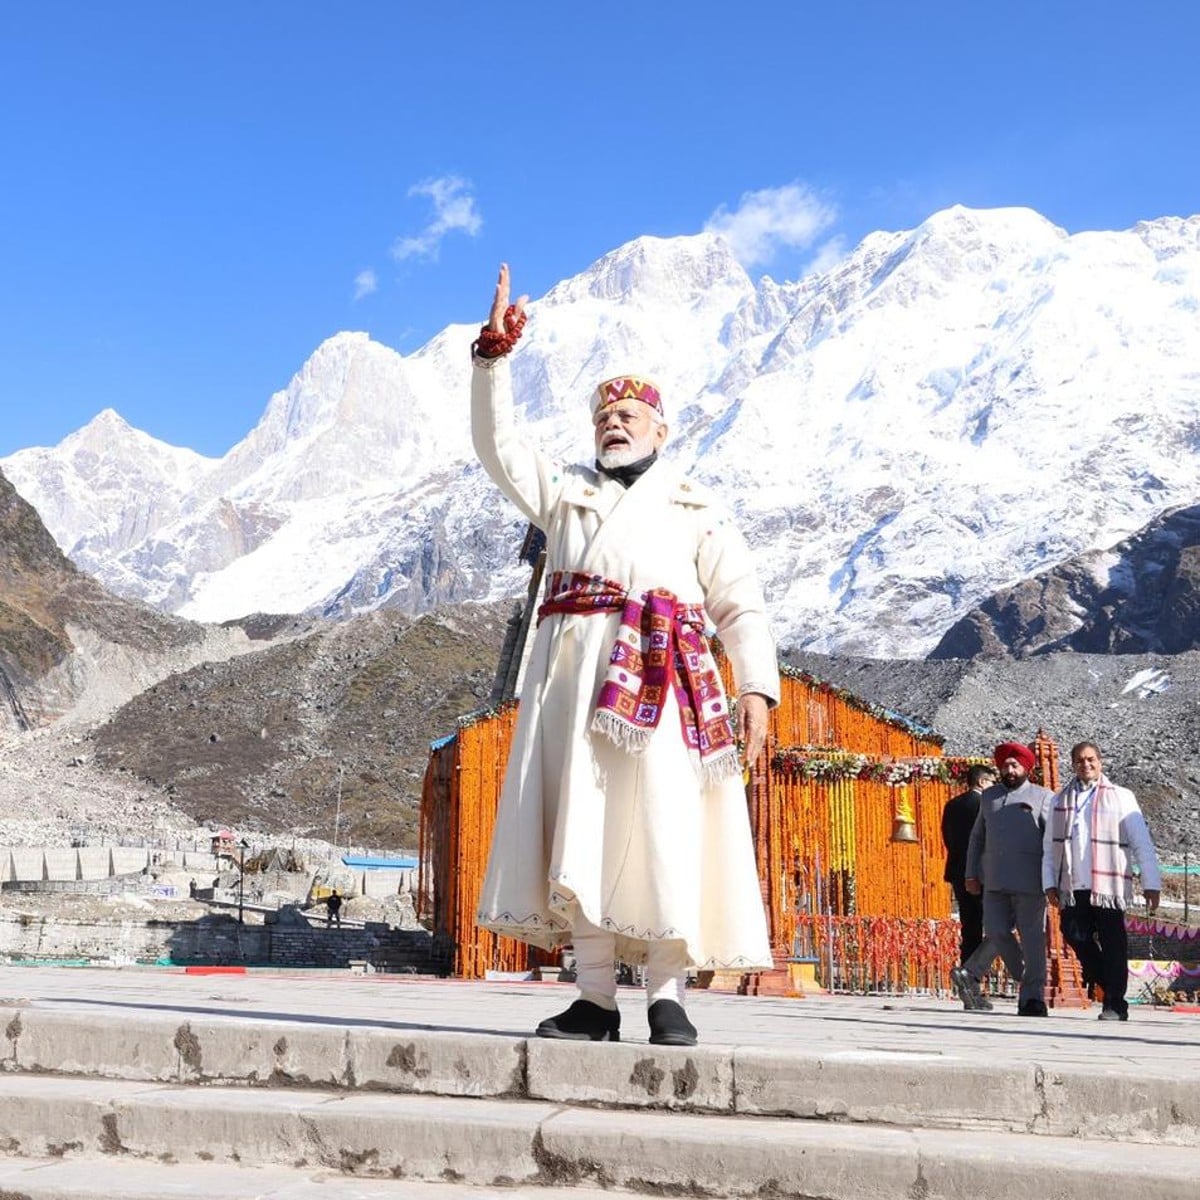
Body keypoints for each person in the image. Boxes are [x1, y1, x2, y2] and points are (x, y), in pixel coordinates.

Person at [470, 265, 779, 1047]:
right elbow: (496, 444)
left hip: (668, 687)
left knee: (667, 826)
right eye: (606, 414)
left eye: (631, 414)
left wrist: (758, 691)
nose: (616, 422)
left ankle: (669, 996)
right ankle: (596, 999)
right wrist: (492, 360)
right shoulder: (564, 493)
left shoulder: (698, 508)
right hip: (575, 692)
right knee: (587, 827)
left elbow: (740, 603)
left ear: (661, 429)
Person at [1043, 741, 1161, 1022]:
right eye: (1080, 760)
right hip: (1074, 884)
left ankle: (1114, 1004)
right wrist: (1049, 882)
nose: (1086, 765)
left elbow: (1141, 842)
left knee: (1113, 942)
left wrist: (1151, 882)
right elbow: (1050, 847)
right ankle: (1111, 987)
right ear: (1073, 764)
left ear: (1100, 761)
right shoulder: (1060, 801)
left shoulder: (1121, 797)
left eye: (1091, 759)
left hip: (1109, 885)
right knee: (1074, 934)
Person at [950, 742, 1052, 1015]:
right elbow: (977, 838)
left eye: (1015, 764)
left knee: (1032, 939)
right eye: (1005, 764)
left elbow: (1052, 842)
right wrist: (971, 873)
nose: (1009, 769)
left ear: (1026, 768)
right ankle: (1027, 980)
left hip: (1031, 882)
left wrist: (1053, 880)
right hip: (994, 881)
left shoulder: (1044, 797)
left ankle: (1032, 998)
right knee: (996, 932)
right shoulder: (989, 797)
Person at [941, 764, 997, 964]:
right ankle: (976, 969)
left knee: (970, 926)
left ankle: (967, 973)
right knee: (997, 927)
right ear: (982, 782)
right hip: (984, 874)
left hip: (959, 873)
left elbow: (948, 838)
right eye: (992, 782)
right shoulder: (988, 806)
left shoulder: (952, 805)